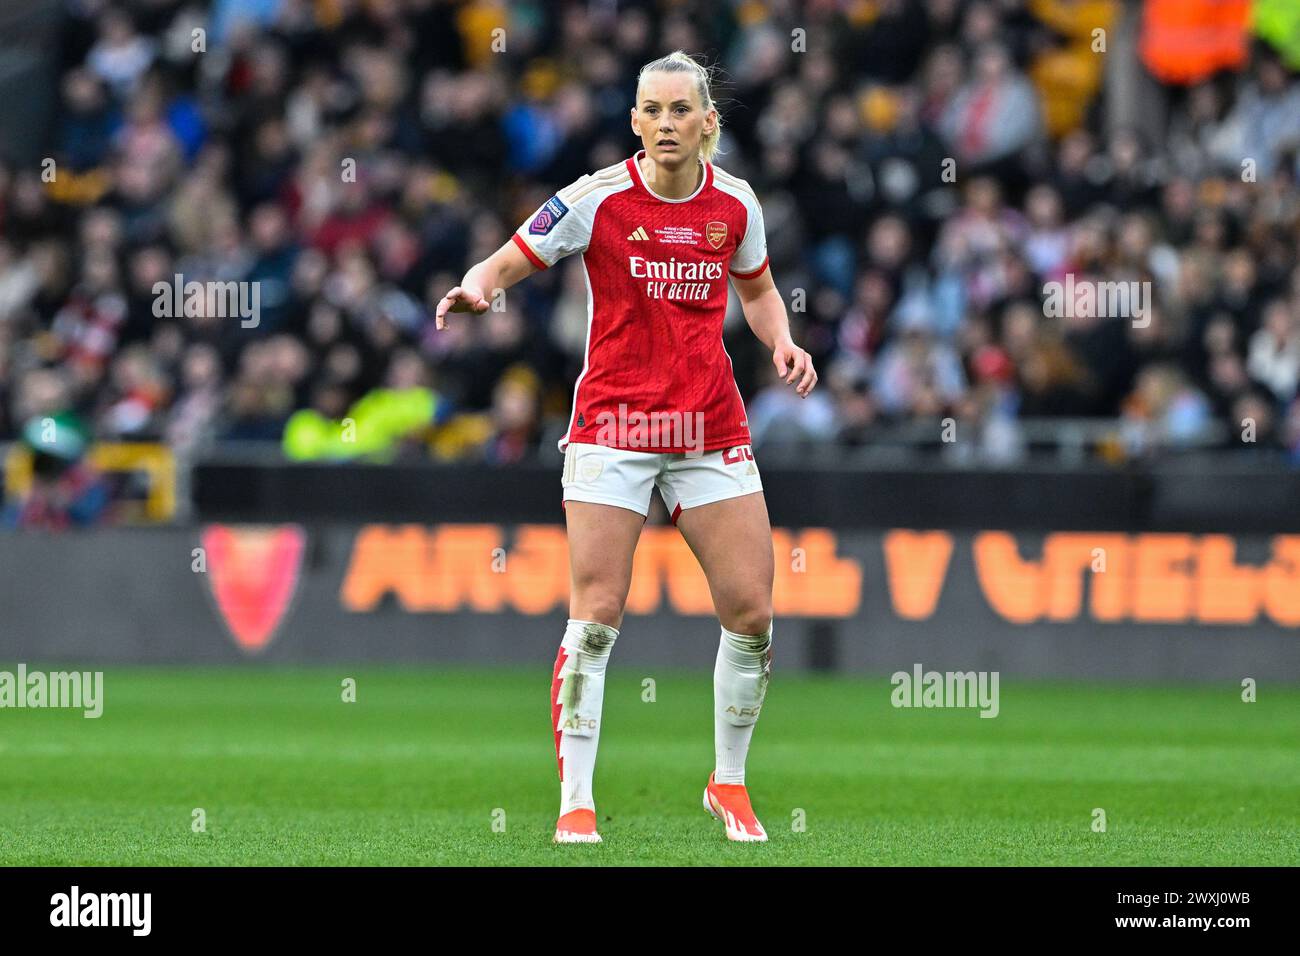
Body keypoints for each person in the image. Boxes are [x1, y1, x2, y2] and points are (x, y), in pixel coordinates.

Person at [435, 51, 817, 844]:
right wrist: (479, 285)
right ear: (635, 121)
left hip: (710, 425)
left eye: (683, 110)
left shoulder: (737, 205)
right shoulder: (597, 199)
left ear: (708, 122)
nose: (668, 124)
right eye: (653, 110)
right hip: (614, 424)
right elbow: (513, 254)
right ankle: (576, 800)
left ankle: (730, 783)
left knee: (752, 613)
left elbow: (757, 289)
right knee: (598, 615)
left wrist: (783, 342)